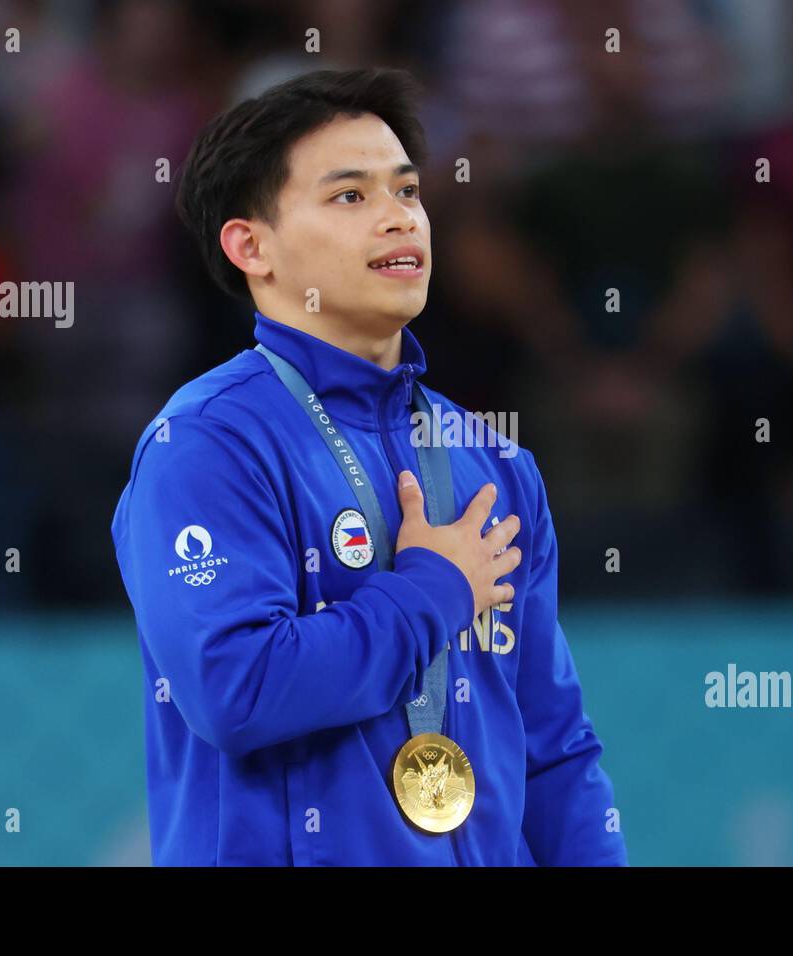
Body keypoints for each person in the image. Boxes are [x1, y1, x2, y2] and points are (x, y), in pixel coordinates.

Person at [110, 67, 626, 866]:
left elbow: (554, 748)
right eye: (351, 196)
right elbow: (235, 688)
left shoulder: (493, 459)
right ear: (252, 246)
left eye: (409, 192)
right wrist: (433, 592)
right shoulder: (208, 445)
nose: (399, 219)